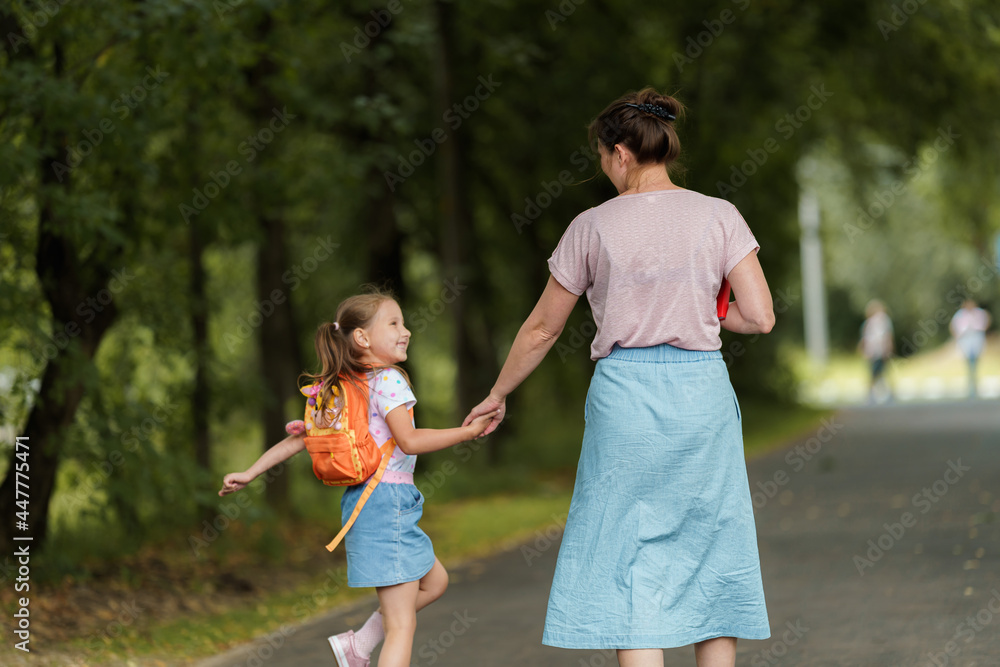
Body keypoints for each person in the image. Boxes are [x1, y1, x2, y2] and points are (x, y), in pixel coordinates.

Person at [463, 88, 774, 667]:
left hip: (625, 400)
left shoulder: (591, 226)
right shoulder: (719, 215)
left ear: (621, 153)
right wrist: (704, 310)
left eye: (603, 158)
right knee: (711, 545)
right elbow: (759, 317)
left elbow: (542, 329)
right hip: (701, 396)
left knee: (626, 555)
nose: (604, 168)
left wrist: (498, 394)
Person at [219, 289, 496, 667]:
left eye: (404, 323)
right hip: (387, 503)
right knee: (401, 624)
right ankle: (359, 648)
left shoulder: (340, 387)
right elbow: (410, 441)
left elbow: (299, 439)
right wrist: (467, 433)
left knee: (435, 582)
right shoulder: (388, 381)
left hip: (367, 502)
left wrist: (250, 472)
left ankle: (358, 646)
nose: (406, 331)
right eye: (394, 323)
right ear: (363, 338)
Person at [950, 299, 991, 398]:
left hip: (976, 338)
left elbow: (987, 319)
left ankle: (974, 386)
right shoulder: (960, 314)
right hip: (966, 339)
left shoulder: (979, 313)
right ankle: (971, 387)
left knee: (975, 364)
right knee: (969, 364)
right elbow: (953, 326)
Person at [858, 299, 894, 403]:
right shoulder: (875, 323)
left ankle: (877, 394)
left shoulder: (878, 322)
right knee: (877, 373)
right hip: (875, 352)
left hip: (877, 352)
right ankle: (876, 394)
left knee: (878, 373)